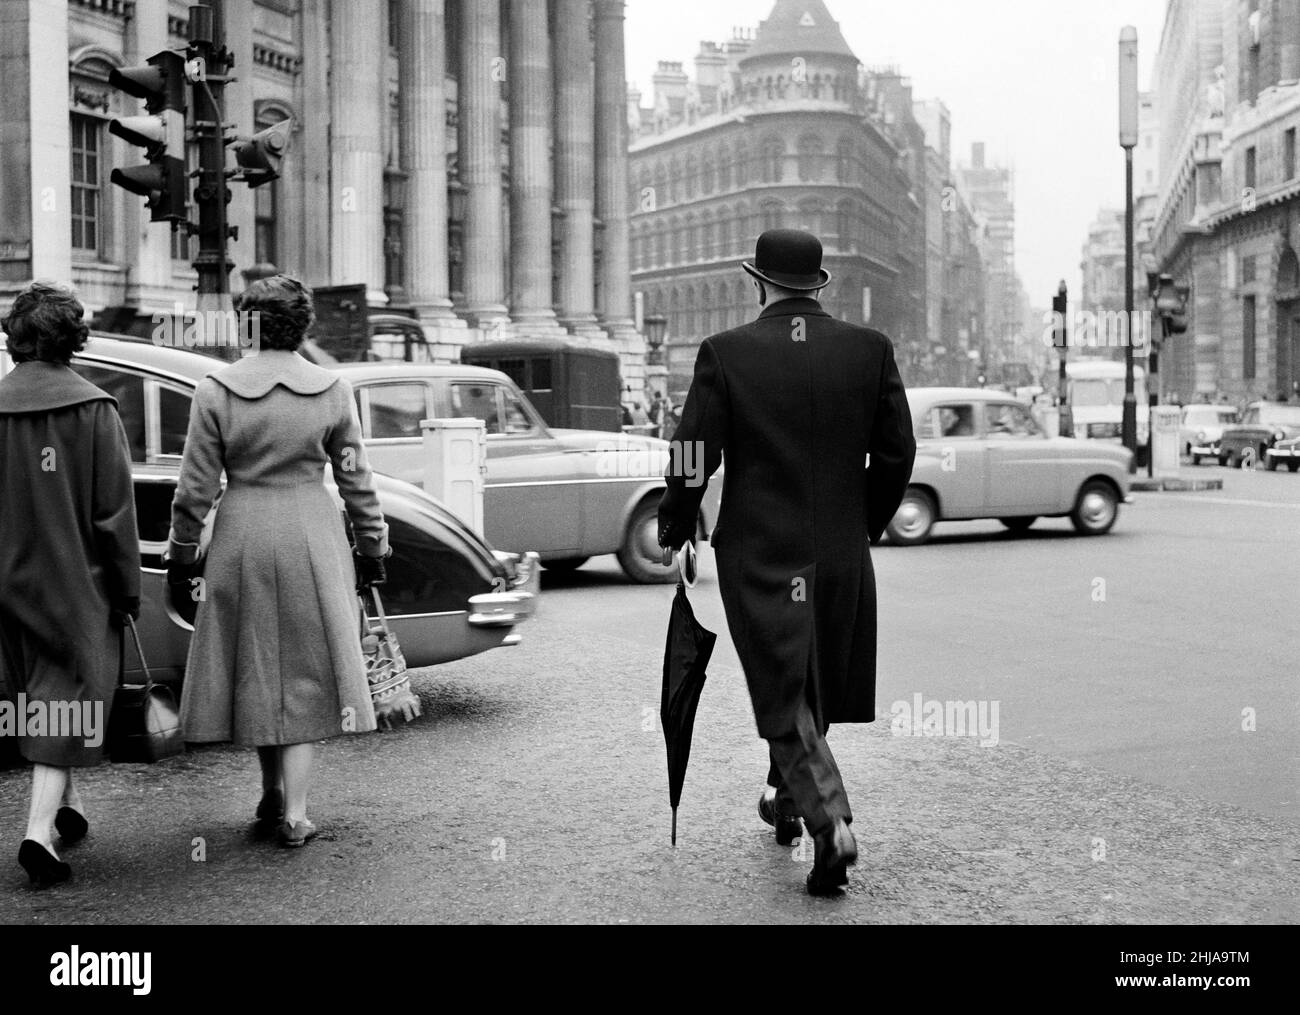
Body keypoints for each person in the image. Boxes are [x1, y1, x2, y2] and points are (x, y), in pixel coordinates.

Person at [658, 229, 916, 896]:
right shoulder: (870, 350)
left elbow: (693, 453)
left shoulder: (727, 354)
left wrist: (677, 520)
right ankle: (788, 798)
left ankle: (830, 820)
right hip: (839, 548)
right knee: (811, 675)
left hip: (759, 552)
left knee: (783, 685)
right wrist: (863, 520)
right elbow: (897, 452)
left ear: (757, 281)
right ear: (821, 283)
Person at [167, 275, 390, 848]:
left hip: (240, 533)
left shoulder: (215, 390)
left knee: (259, 664)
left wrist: (184, 552)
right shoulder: (333, 390)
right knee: (308, 674)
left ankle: (270, 792)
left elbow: (194, 488)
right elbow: (356, 481)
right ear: (303, 326)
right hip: (312, 536)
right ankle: (294, 812)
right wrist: (373, 546)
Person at [0, 281, 141, 887]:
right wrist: (126, 591)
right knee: (69, 698)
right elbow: (114, 515)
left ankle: (67, 808)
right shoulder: (94, 410)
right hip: (74, 585)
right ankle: (36, 837)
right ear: (72, 340)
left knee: (37, 697)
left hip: (6, 583)